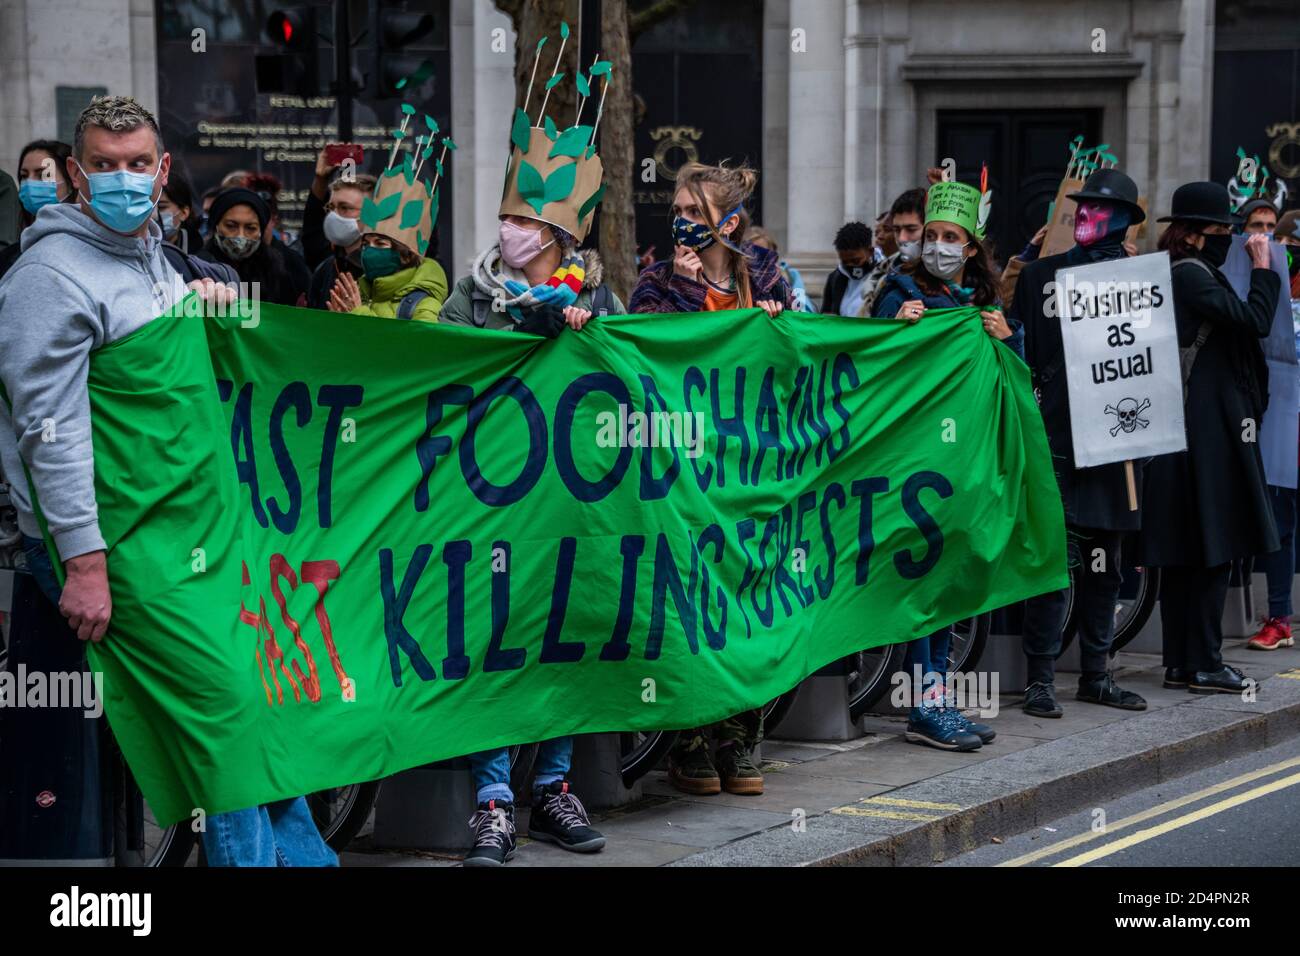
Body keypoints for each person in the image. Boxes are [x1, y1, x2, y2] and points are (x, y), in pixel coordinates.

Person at [0, 94, 334, 867]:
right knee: (225, 721)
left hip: (190, 542)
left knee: (255, 714)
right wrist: (83, 563)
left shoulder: (152, 253)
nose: (123, 179)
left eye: (138, 164)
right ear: (77, 176)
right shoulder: (46, 277)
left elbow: (146, 368)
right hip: (118, 552)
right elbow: (48, 432)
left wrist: (205, 308)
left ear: (163, 171)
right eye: (106, 166)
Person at [440, 61, 613, 863]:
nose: (509, 229)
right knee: (495, 638)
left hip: (569, 502)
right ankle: (493, 800)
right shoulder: (470, 294)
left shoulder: (600, 301)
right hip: (489, 497)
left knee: (563, 637)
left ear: (558, 234)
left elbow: (627, 384)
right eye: (506, 213)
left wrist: (583, 333)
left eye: (523, 216)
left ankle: (553, 787)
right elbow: (437, 367)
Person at [631, 160, 790, 796]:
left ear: (727, 222)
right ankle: (691, 737)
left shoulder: (769, 277)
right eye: (678, 210)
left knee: (751, 595)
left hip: (751, 469)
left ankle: (741, 736)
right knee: (692, 600)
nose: (682, 221)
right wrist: (687, 291)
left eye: (695, 213)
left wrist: (779, 321)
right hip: (684, 471)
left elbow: (799, 352)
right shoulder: (656, 280)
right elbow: (646, 349)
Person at [873, 178, 1017, 751]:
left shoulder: (983, 306)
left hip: (967, 463)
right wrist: (894, 329)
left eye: (948, 236)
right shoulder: (901, 291)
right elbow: (873, 366)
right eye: (930, 235)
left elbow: (1015, 380)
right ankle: (926, 706)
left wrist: (1009, 337)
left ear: (972, 248)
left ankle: (938, 699)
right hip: (918, 462)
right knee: (924, 582)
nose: (935, 245)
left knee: (949, 582)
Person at [1009, 167, 1150, 717]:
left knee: (1104, 564)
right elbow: (1020, 352)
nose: (1088, 216)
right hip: (1057, 438)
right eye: (1082, 207)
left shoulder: (1140, 281)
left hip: (1115, 441)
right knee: (1054, 561)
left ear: (1122, 221)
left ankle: (1097, 673)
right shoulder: (1039, 276)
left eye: (1100, 209)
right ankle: (1039, 679)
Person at [1140, 182, 1282, 691]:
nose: (1233, 238)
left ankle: (1183, 662)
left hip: (1193, 430)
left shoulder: (1186, 273)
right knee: (1212, 549)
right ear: (1196, 236)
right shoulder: (1191, 276)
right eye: (1224, 230)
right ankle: (1202, 661)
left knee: (1190, 550)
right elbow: (1255, 321)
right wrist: (1265, 269)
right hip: (1205, 435)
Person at [197, 186, 303, 305]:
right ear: (216, 226)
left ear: (260, 232)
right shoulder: (198, 267)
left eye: (250, 228)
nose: (240, 236)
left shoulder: (280, 272)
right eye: (231, 226)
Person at [0, 140, 76, 279]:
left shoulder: (87, 246)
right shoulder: (11, 256)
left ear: (72, 180)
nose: (30, 183)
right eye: (24, 176)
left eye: (43, 175)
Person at [307, 172, 372, 310]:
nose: (334, 215)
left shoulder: (384, 270)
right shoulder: (326, 269)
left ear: (372, 214)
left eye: (345, 208)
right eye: (331, 208)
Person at [749, 226, 813, 312]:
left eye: (763, 253)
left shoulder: (790, 275)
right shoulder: (740, 278)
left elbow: (801, 308)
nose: (758, 258)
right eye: (752, 253)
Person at [820, 221, 874, 315]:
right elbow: (825, 314)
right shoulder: (834, 278)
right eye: (845, 262)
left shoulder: (882, 276)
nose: (850, 266)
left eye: (856, 261)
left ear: (870, 252)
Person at [156, 171, 202, 254]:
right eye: (148, 206)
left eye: (161, 207)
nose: (153, 214)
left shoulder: (202, 259)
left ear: (184, 213)